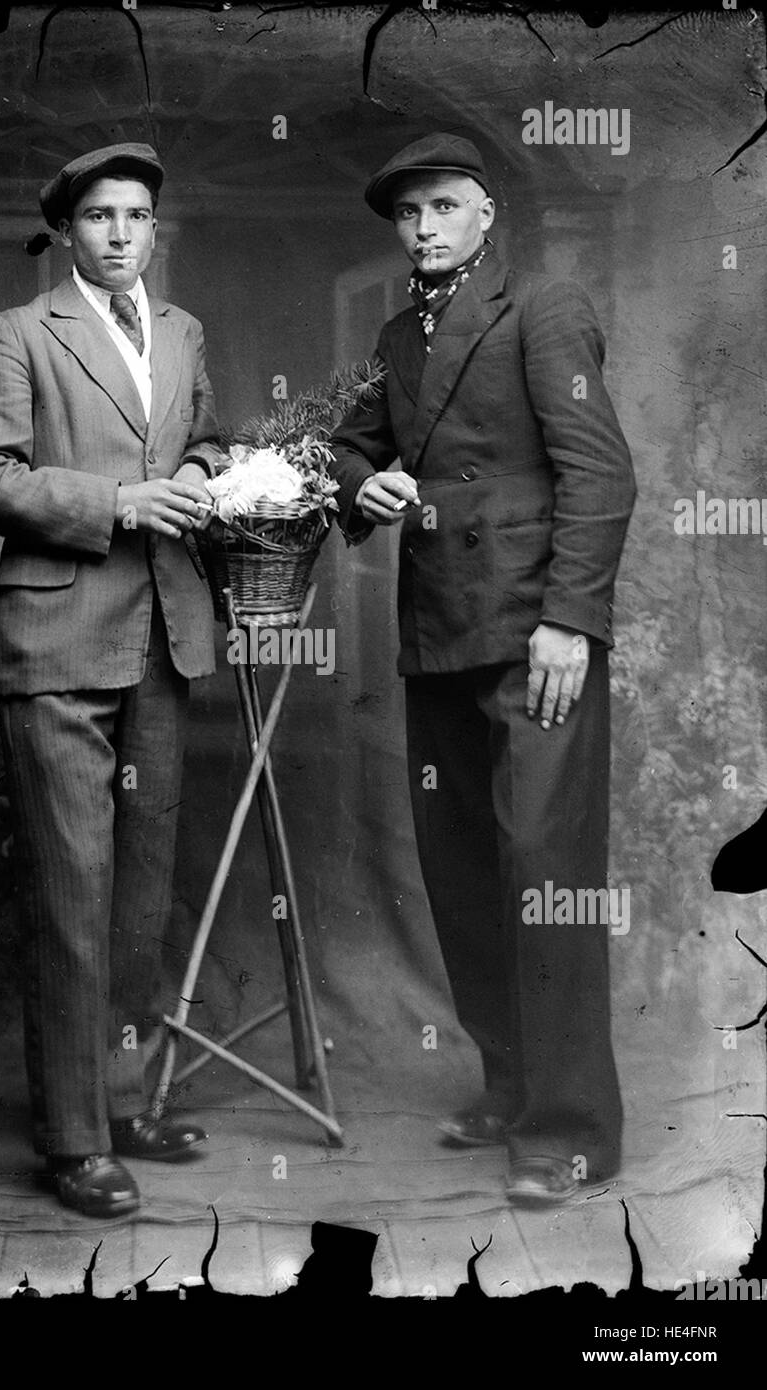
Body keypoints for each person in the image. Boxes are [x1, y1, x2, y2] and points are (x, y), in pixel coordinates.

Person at [327, 133, 636, 1205]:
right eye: (407, 213)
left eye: (444, 208)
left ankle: (572, 1130)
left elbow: (601, 472)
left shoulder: (542, 309)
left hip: (534, 639)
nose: (423, 228)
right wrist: (362, 484)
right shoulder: (393, 332)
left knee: (543, 879)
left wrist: (568, 622)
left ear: (486, 214)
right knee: (463, 876)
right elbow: (350, 445)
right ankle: (509, 1088)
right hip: (439, 635)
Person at [0, 143, 224, 1218]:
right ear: (66, 229)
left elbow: (206, 437)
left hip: (163, 638)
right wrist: (121, 503)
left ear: (156, 228)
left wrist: (197, 474)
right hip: (59, 645)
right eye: (101, 216)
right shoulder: (16, 333)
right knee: (74, 895)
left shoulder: (186, 329)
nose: (121, 234)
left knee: (140, 898)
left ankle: (123, 1103)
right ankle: (72, 1141)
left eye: (138, 216)